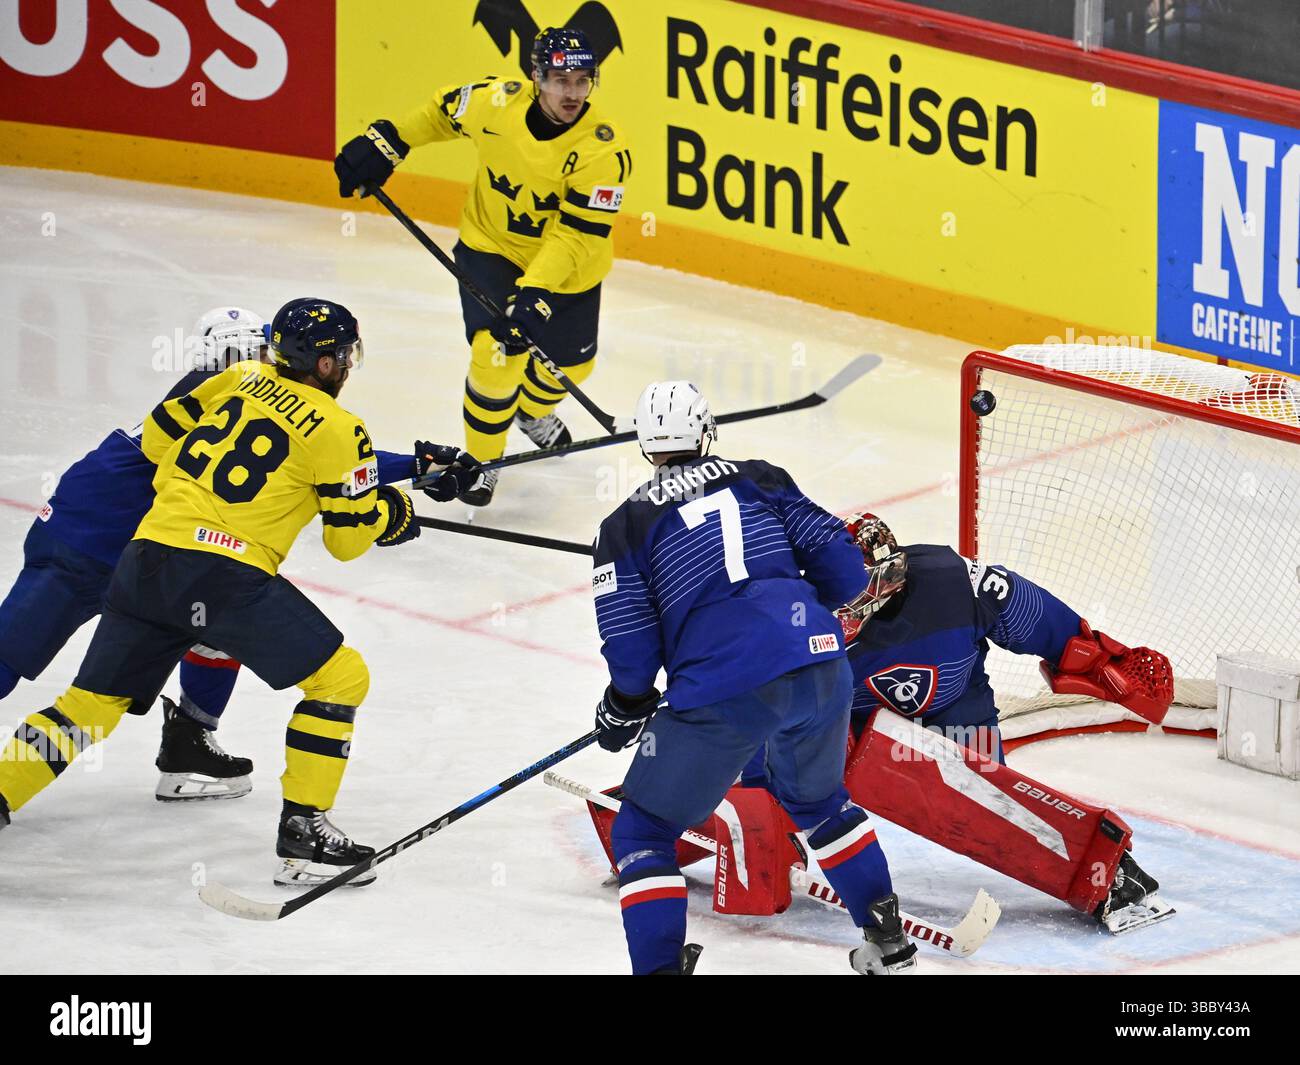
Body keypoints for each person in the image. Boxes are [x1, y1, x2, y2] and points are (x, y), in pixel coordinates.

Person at [0, 298, 477, 888]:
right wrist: (388, 513)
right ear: (328, 365)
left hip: (145, 559)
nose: (349, 364)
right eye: (345, 355)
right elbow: (346, 544)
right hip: (222, 574)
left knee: (86, 707)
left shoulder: (234, 378)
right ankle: (304, 838)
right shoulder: (342, 429)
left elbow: (153, 444)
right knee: (341, 678)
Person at [589, 380, 918, 975]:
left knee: (644, 829)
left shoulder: (624, 526)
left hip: (726, 687)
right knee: (819, 804)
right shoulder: (760, 476)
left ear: (645, 445)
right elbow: (846, 572)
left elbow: (632, 648)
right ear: (707, 432)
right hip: (819, 663)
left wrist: (624, 704)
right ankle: (886, 939)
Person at [741, 513, 1174, 933]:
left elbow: (1048, 625)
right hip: (846, 721)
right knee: (777, 775)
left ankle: (1106, 874)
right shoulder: (791, 613)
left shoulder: (956, 583)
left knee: (988, 796)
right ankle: (699, 837)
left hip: (957, 710)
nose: (835, 604)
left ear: (885, 581)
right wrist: (761, 808)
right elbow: (759, 715)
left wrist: (1106, 664)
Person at [334, 26, 632, 506]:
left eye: (582, 80)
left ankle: (531, 412)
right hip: (490, 249)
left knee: (574, 364)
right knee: (495, 358)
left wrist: (535, 292)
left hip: (569, 270)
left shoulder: (603, 151)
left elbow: (576, 235)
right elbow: (440, 111)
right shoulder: (494, 103)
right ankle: (482, 463)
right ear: (536, 76)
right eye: (560, 79)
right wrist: (390, 142)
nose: (572, 92)